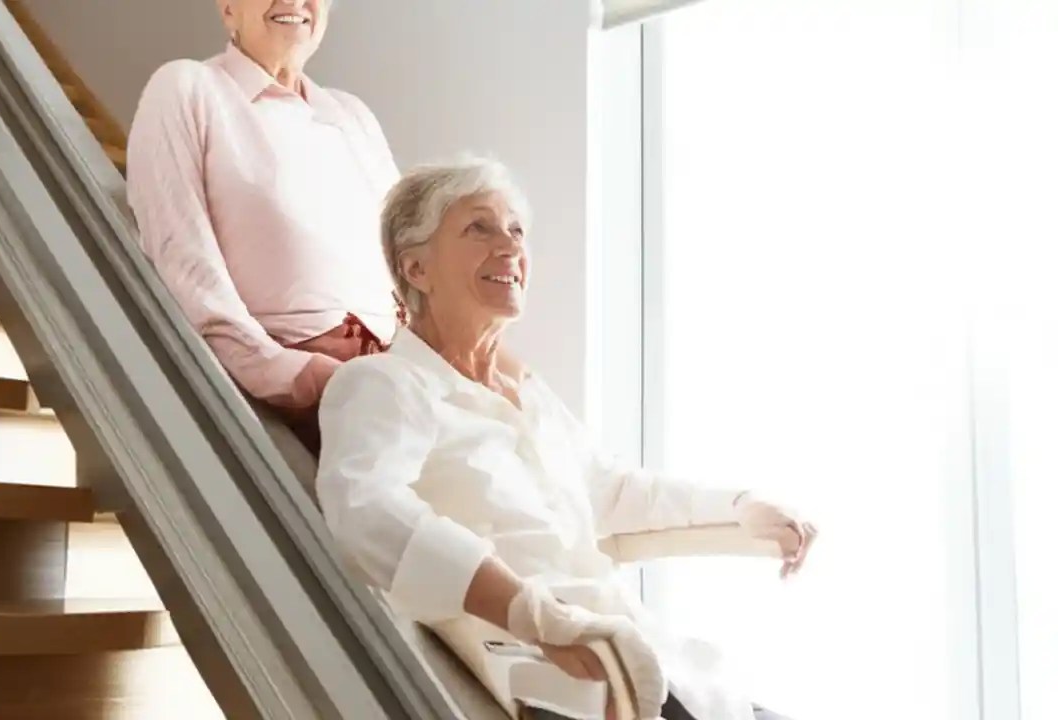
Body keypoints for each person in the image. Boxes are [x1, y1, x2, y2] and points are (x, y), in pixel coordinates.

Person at [316, 158, 818, 720]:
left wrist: (740, 507)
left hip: (646, 658)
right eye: (478, 227)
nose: (508, 247)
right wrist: (536, 615)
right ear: (417, 268)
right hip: (568, 677)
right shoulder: (383, 384)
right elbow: (365, 508)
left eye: (516, 230)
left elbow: (611, 492)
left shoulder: (528, 396)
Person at [125, 0, 401, 452]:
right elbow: (183, 261)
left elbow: (413, 257)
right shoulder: (188, 87)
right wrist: (291, 375)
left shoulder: (352, 116)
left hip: (399, 383)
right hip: (308, 393)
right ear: (228, 7)